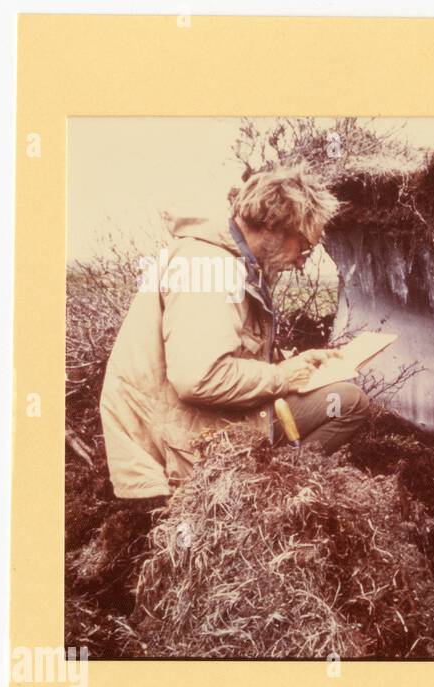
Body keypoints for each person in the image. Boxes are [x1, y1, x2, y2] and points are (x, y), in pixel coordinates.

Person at [99, 165, 369, 500]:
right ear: (274, 224)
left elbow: (222, 349)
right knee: (349, 403)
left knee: (341, 397)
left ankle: (274, 480)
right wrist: (281, 376)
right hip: (176, 441)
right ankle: (272, 490)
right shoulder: (211, 269)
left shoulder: (222, 259)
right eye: (304, 246)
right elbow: (199, 377)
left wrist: (294, 362)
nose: (302, 262)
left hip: (186, 422)